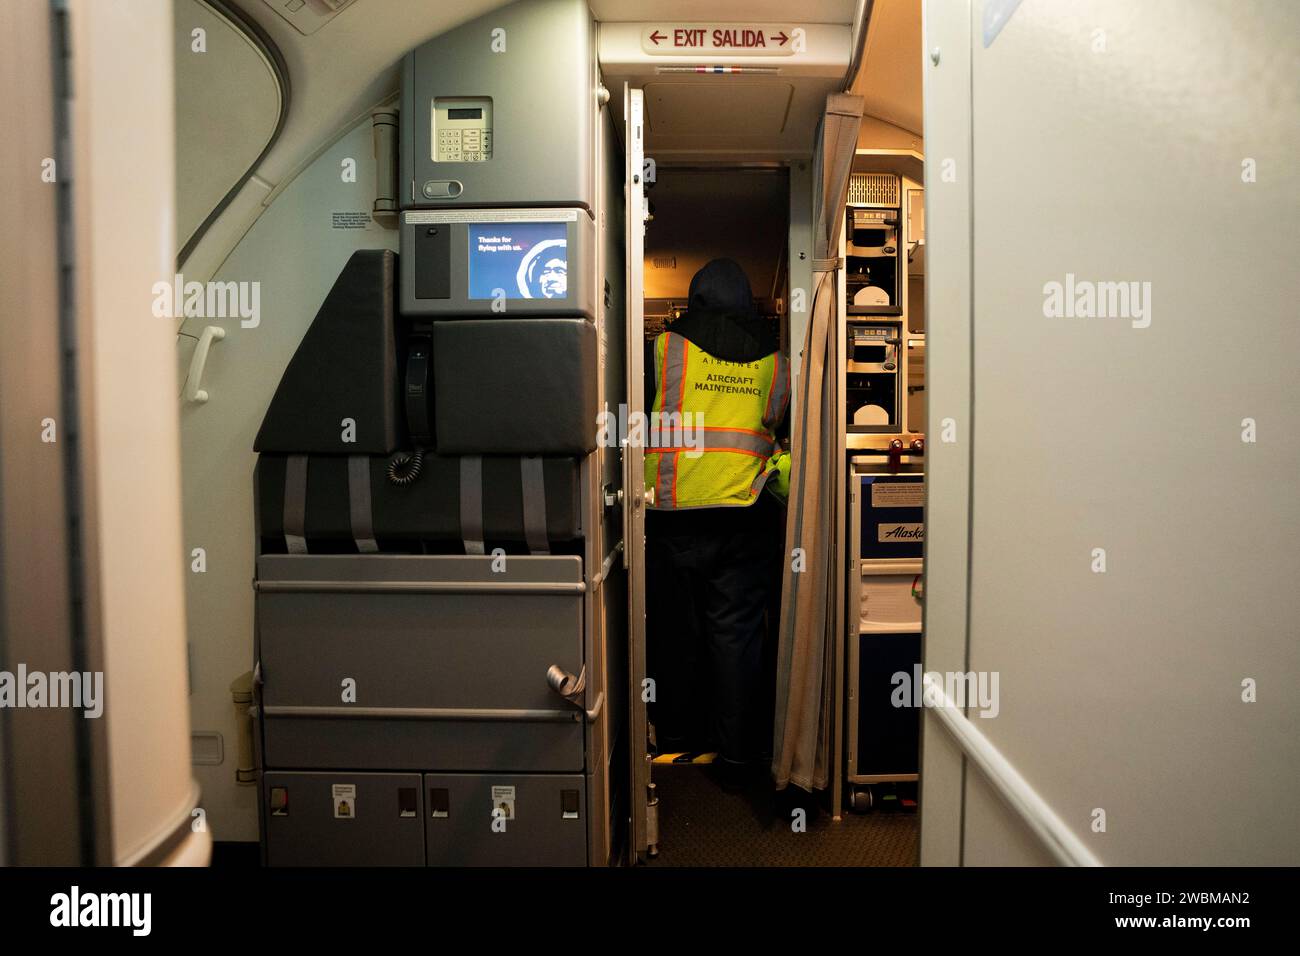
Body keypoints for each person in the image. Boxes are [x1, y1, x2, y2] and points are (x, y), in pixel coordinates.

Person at [644, 258, 790, 790]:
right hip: (746, 515)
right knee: (737, 640)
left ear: (694, 300)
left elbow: (628, 420)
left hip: (672, 517)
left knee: (674, 631)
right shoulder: (778, 360)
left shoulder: (662, 349)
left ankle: (680, 739)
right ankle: (736, 756)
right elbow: (779, 431)